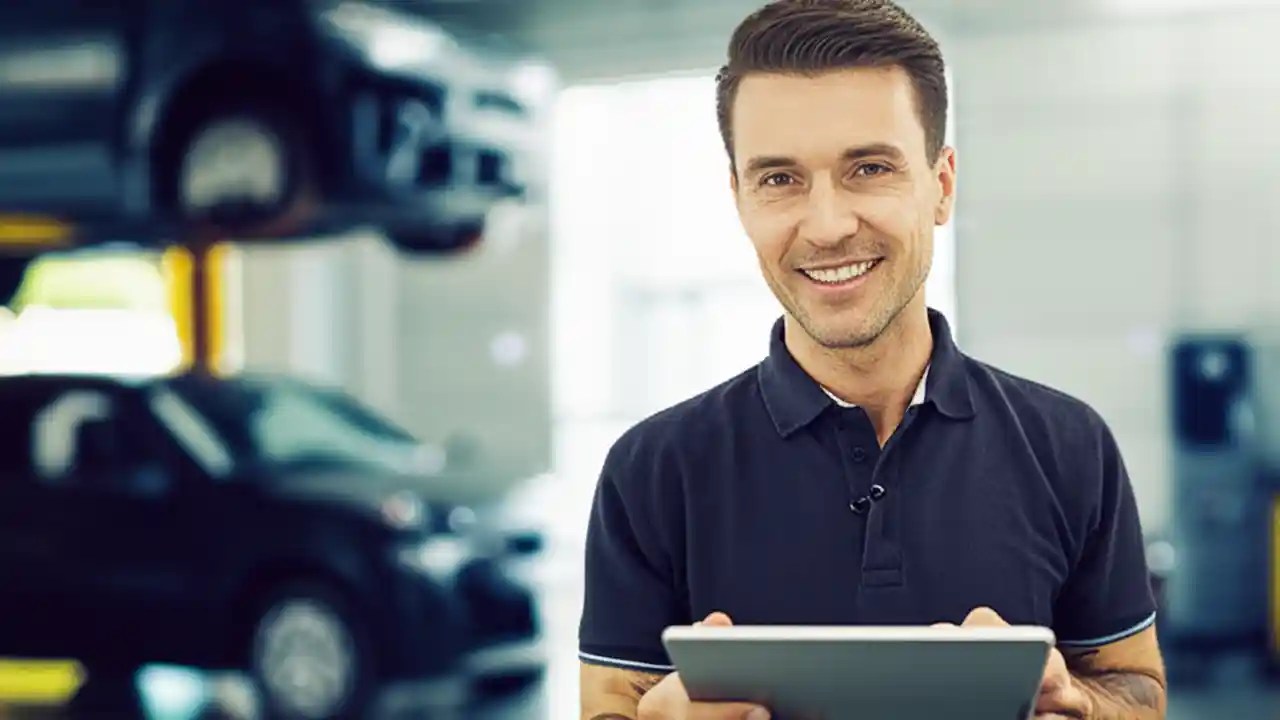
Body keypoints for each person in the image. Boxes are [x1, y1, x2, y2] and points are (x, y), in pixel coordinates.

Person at [577, 0, 1167, 718]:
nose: (828, 227)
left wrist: (1074, 703)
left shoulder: (1070, 448)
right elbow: (608, 705)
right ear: (739, 199)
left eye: (869, 167)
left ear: (941, 185)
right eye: (779, 179)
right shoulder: (652, 471)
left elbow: (1138, 690)